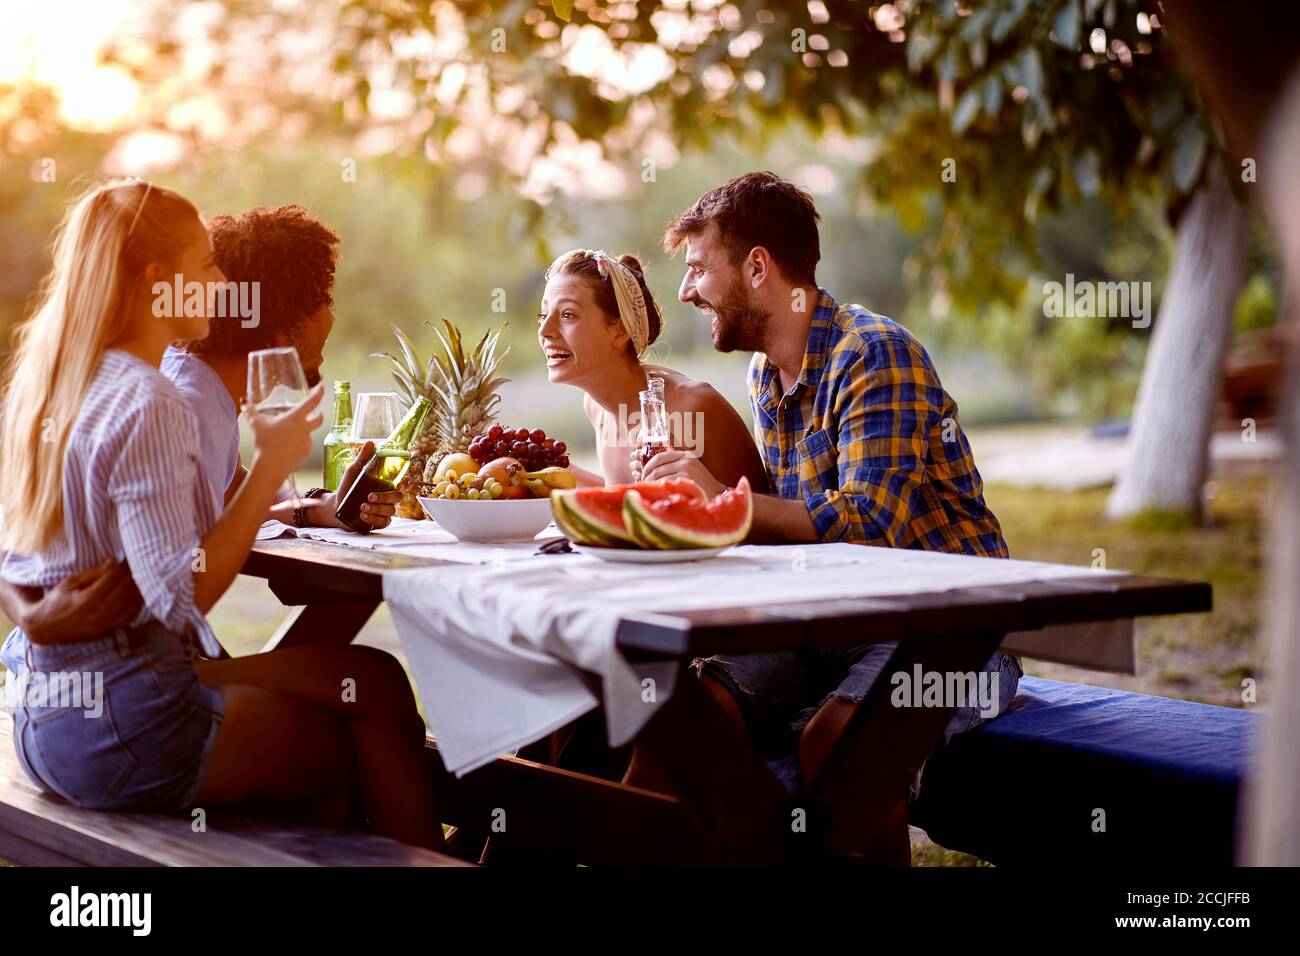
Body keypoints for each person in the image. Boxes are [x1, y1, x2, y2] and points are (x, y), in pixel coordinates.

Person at [0, 181, 443, 850]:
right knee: (346, 740)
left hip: (44, 714)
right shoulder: (152, 401)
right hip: (122, 721)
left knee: (364, 689)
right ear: (159, 281)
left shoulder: (55, 385)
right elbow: (179, 599)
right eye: (208, 266)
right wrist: (272, 464)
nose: (224, 285)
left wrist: (294, 497)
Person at [630, 171, 1019, 795]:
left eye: (699, 270)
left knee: (836, 750)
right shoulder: (767, 373)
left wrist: (725, 505)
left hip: (950, 635)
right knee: (682, 721)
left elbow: (868, 526)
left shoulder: (873, 352)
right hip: (831, 623)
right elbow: (795, 532)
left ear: (758, 268)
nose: (684, 292)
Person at [162, 204, 398, 530]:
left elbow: (234, 498)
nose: (330, 319)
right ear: (282, 321)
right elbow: (184, 572)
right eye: (321, 302)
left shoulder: (205, 387)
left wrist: (327, 508)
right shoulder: (190, 409)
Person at [538, 248, 768, 491]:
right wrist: (548, 469)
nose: (544, 331)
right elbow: (625, 496)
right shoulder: (596, 408)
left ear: (620, 331)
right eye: (542, 315)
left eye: (567, 314)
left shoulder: (694, 407)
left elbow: (758, 518)